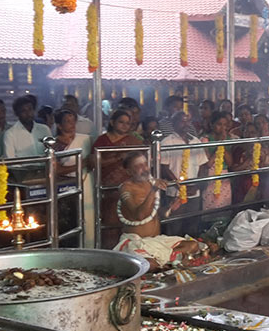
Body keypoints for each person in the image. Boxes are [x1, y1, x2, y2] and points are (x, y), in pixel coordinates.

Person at [114, 153, 211, 271]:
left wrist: (170, 208)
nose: (144, 169)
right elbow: (139, 216)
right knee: (147, 264)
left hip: (156, 241)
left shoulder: (150, 184)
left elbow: (157, 213)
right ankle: (169, 261)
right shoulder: (126, 188)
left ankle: (164, 262)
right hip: (136, 241)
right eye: (138, 166)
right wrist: (153, 190)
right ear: (129, 171)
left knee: (192, 245)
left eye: (145, 164)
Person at [92, 109, 142, 247]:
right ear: (112, 122)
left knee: (131, 221)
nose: (125, 126)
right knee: (110, 221)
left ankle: (130, 251)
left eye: (128, 123)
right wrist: (117, 157)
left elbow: (142, 161)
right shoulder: (102, 140)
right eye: (121, 122)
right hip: (108, 189)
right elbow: (92, 162)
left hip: (130, 187)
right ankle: (110, 252)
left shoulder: (134, 141)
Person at [159, 111, 209, 238]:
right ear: (174, 124)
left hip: (194, 192)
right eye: (182, 121)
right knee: (174, 228)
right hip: (175, 193)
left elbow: (202, 165)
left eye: (187, 121)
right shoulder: (167, 142)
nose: (185, 124)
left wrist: (196, 185)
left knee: (192, 226)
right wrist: (181, 186)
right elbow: (164, 168)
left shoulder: (195, 141)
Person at [53, 109, 95, 247]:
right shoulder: (55, 144)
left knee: (88, 217)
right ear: (59, 125)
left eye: (73, 121)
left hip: (86, 181)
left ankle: (89, 246)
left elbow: (93, 160)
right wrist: (82, 164)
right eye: (67, 121)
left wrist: (88, 164)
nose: (72, 124)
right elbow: (56, 169)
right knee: (69, 219)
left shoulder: (85, 139)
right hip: (66, 185)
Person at [201, 111, 235, 219]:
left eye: (225, 125)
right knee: (210, 207)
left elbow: (230, 163)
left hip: (224, 175)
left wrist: (223, 143)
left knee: (224, 208)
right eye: (219, 124)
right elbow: (208, 163)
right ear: (212, 124)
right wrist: (219, 143)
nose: (222, 128)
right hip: (211, 174)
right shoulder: (205, 139)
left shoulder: (228, 139)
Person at [3, 95, 52, 160]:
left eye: (30, 109)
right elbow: (10, 160)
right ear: (17, 114)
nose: (28, 113)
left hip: (45, 166)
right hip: (23, 166)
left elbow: (51, 152)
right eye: (23, 111)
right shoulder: (10, 134)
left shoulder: (44, 129)